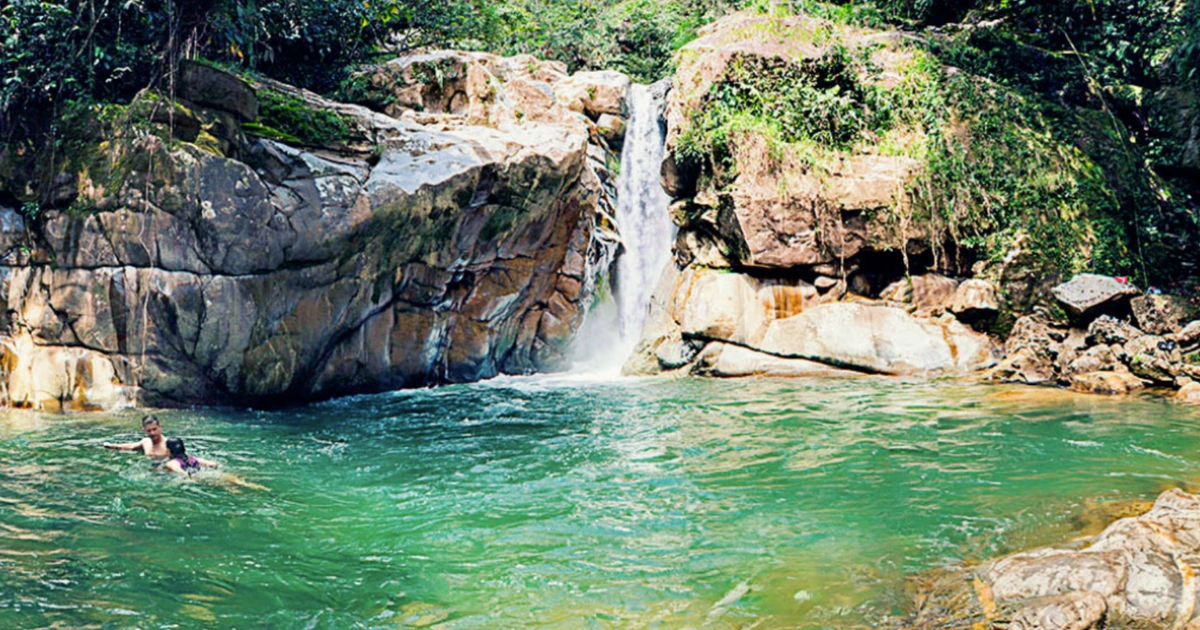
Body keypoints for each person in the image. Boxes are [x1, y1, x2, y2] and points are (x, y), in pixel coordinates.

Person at [102, 415, 170, 459]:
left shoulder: (168, 444)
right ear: (144, 430)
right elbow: (131, 446)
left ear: (160, 427)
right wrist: (112, 446)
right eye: (149, 430)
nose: (152, 433)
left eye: (154, 429)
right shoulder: (146, 442)